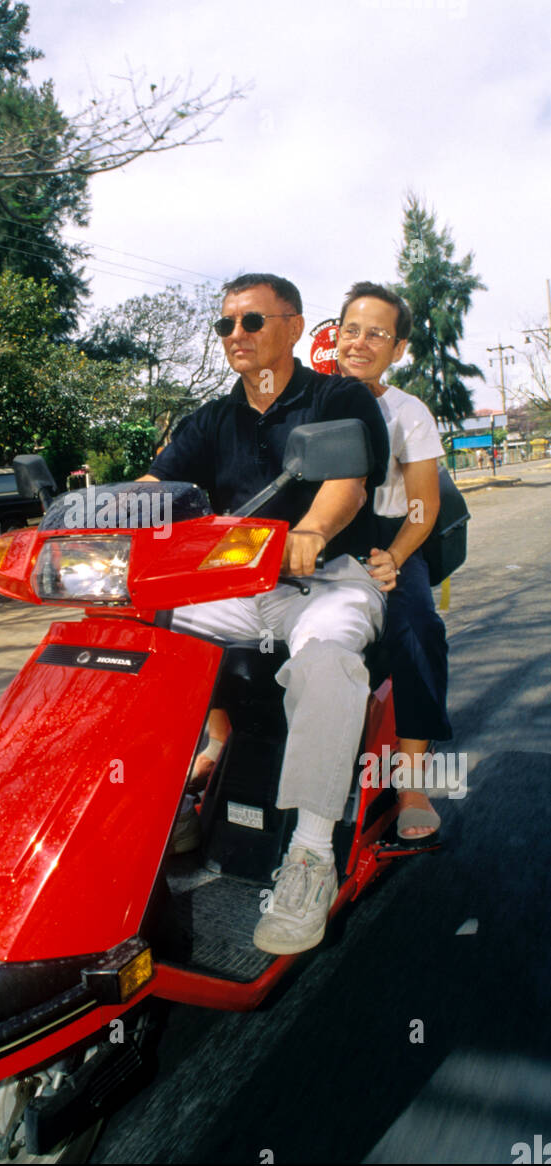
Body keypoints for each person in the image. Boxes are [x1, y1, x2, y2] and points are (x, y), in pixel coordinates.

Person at [139, 272, 390, 955]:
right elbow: (153, 488)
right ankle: (155, 809)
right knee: (130, 635)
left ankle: (309, 856)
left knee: (331, 660)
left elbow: (346, 480)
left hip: (324, 579)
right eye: (225, 326)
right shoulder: (211, 419)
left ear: (292, 324)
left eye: (251, 322)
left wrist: (309, 531)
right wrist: (93, 516)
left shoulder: (336, 397)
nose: (235, 337)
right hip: (232, 588)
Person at [336, 282, 452, 842]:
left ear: (399, 348)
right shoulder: (302, 398)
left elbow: (423, 505)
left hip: (388, 535)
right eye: (351, 329)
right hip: (314, 537)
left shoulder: (409, 411)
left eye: (376, 333)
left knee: (417, 627)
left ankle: (408, 777)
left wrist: (395, 558)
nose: (360, 342)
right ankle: (218, 748)